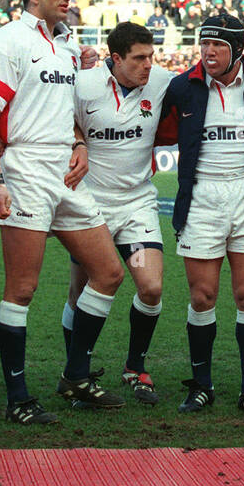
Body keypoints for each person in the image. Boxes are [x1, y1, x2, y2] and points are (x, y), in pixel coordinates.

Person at [0, 0, 124, 424]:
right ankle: (18, 399)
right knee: (22, 287)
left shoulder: (67, 45)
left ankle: (75, 375)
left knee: (109, 272)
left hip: (66, 169)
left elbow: (68, 107)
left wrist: (79, 141)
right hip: (25, 167)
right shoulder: (9, 40)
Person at [155, 13, 244, 416]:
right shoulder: (184, 87)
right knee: (202, 296)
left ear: (237, 49)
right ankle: (201, 386)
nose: (208, 52)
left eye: (217, 45)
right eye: (204, 44)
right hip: (202, 199)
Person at [67, 21, 176, 404]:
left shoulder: (162, 82)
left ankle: (135, 367)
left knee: (151, 287)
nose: (149, 65)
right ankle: (76, 372)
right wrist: (78, 140)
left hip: (137, 203)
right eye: (139, 58)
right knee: (83, 289)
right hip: (90, 203)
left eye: (151, 56)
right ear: (115, 59)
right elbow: (64, 123)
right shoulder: (83, 85)